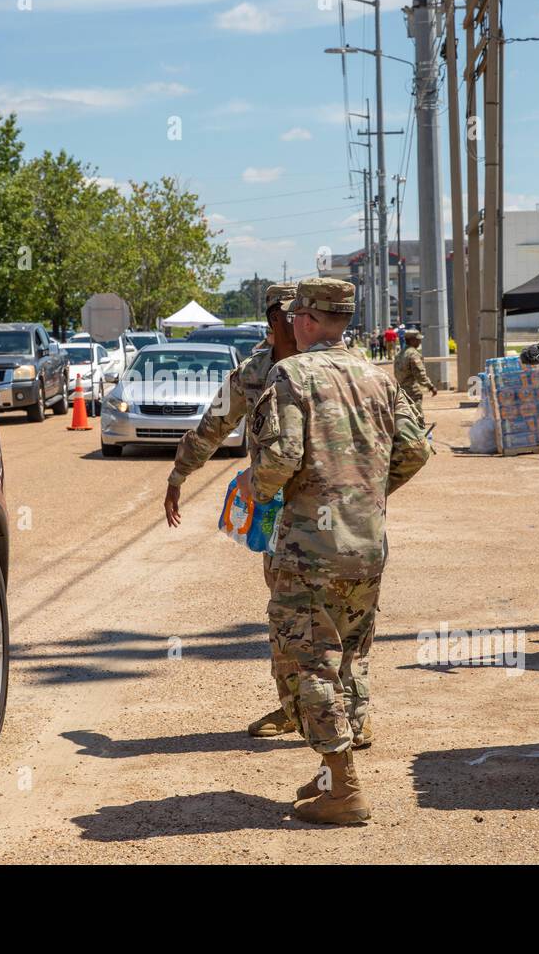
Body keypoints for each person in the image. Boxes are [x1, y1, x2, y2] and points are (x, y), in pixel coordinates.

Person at [246, 277, 431, 824]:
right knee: (348, 656)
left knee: (308, 662)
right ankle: (333, 771)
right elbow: (417, 449)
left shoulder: (292, 375)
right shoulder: (376, 376)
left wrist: (256, 493)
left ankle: (344, 789)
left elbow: (278, 460)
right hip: (366, 544)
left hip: (310, 548)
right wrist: (365, 493)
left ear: (305, 319)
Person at [164, 283, 302, 737]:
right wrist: (179, 475)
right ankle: (294, 708)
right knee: (287, 612)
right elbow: (212, 426)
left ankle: (348, 717)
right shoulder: (253, 373)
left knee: (344, 614)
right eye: (292, 313)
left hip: (335, 511)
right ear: (275, 320)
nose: (301, 320)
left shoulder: (333, 368)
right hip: (281, 515)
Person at [393, 328, 437, 417]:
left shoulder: (400, 354)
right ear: (411, 340)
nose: (419, 342)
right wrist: (431, 386)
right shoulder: (413, 354)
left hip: (401, 391)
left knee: (405, 417)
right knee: (417, 418)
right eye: (418, 339)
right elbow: (420, 374)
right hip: (412, 392)